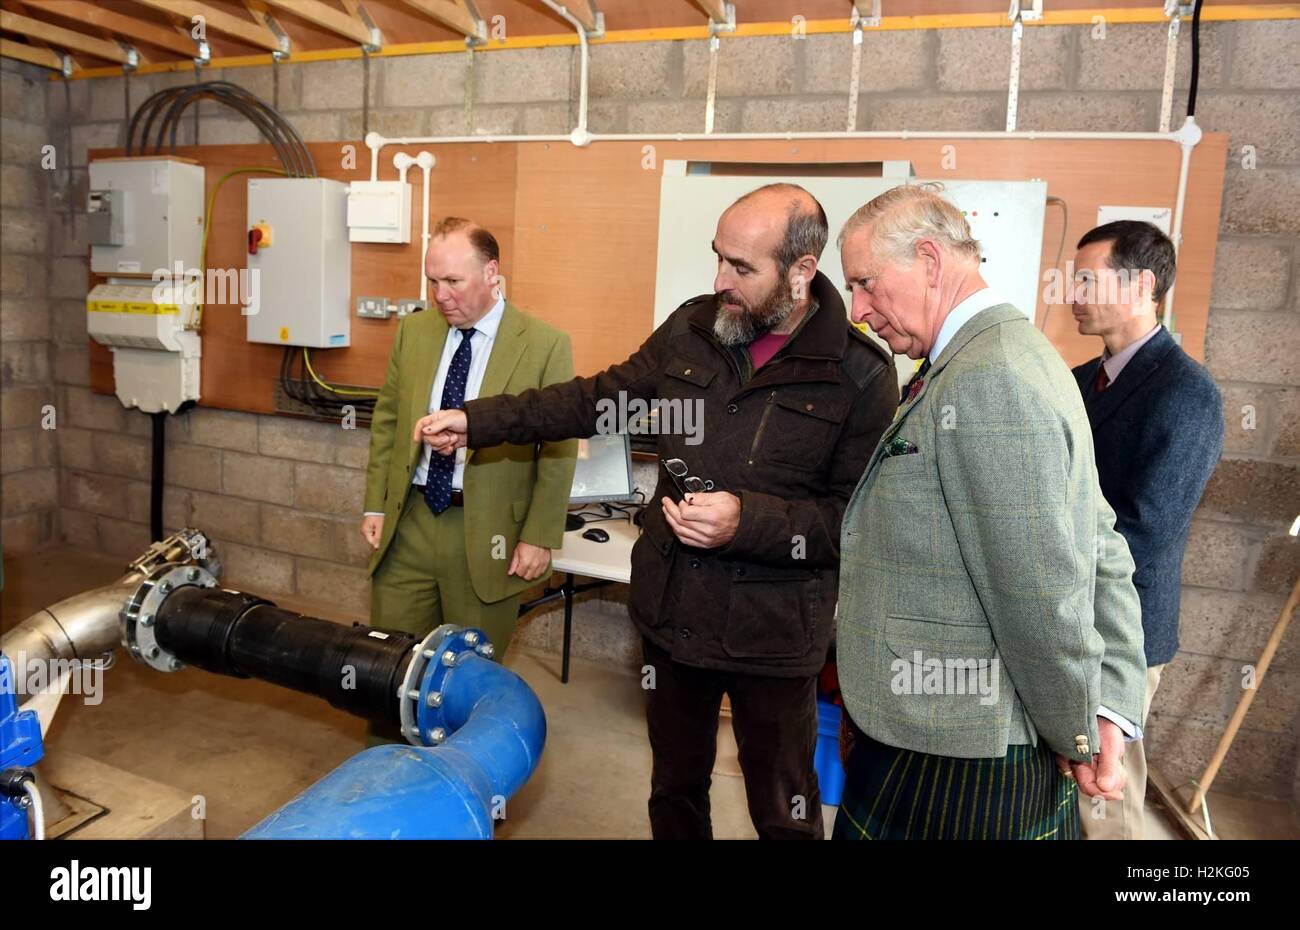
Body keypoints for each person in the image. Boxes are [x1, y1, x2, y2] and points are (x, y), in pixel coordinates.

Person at [415, 184, 897, 839]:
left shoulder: (859, 373)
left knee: (783, 807)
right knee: (673, 791)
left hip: (774, 639)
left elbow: (855, 523)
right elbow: (596, 401)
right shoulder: (693, 328)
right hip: (673, 621)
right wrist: (479, 421)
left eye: (742, 268)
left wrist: (745, 521)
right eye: (718, 258)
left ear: (801, 272)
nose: (720, 280)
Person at [834, 183, 1147, 840]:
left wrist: (1078, 728)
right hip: (946, 724)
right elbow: (1100, 542)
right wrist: (1107, 707)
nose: (858, 311)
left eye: (864, 284)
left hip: (955, 747)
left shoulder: (988, 379)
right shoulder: (1004, 355)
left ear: (928, 259)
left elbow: (1038, 596)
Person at [360, 217, 577, 741]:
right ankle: (389, 783)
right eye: (432, 281)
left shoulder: (545, 344)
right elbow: (387, 421)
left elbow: (560, 445)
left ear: (492, 272)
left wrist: (540, 534)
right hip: (408, 522)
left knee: (466, 680)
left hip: (487, 539)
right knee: (388, 667)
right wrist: (375, 505)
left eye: (453, 281)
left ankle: (463, 793)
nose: (440, 295)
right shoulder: (413, 332)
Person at [1069, 220, 1224, 839]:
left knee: (1104, 791)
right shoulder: (1081, 382)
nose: (1072, 293)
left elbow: (1148, 529)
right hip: (1071, 612)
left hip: (1123, 625)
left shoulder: (1187, 392)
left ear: (1141, 284)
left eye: (1087, 279)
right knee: (1070, 776)